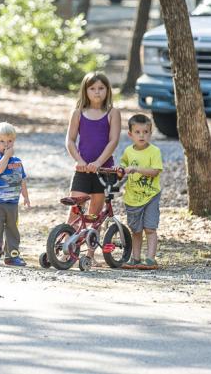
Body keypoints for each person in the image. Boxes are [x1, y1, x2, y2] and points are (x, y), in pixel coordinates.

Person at [65, 71, 121, 252]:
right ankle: (66, 248)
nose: (97, 92)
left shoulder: (113, 113)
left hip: (103, 171)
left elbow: (113, 141)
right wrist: (79, 160)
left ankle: (90, 253)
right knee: (75, 210)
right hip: (82, 170)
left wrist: (98, 162)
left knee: (94, 214)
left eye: (101, 88)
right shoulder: (78, 113)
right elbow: (70, 140)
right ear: (85, 91)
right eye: (92, 88)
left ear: (107, 90)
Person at [119, 113, 163, 268]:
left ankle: (150, 259)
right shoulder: (128, 152)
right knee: (136, 230)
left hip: (151, 196)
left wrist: (136, 169)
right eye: (137, 132)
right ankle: (135, 259)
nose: (142, 135)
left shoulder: (154, 151)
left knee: (150, 228)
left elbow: (155, 171)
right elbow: (122, 168)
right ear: (130, 134)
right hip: (132, 198)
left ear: (150, 133)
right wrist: (120, 171)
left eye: (145, 132)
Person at [0, 122, 31, 267]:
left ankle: (12, 254)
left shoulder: (17, 162)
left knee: (12, 229)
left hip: (12, 202)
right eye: (2, 141)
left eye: (10, 141)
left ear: (14, 141)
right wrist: (6, 156)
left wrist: (26, 196)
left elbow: (22, 179)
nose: (6, 144)